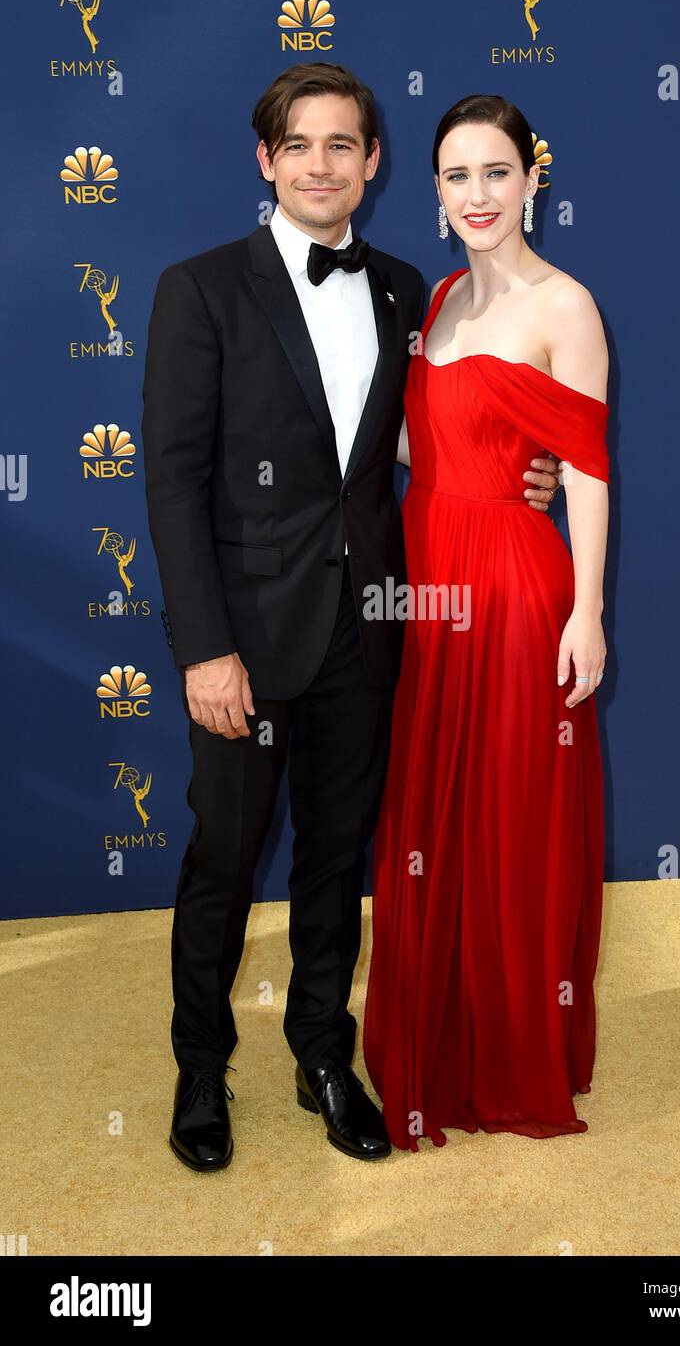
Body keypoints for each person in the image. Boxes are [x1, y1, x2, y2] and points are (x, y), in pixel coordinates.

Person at [140, 64, 558, 1170]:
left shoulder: (404, 288)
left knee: (336, 859)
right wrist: (204, 648)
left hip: (369, 630)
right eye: (301, 145)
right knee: (224, 859)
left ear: (374, 165)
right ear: (265, 159)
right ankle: (198, 1065)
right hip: (244, 637)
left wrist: (525, 477)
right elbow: (173, 483)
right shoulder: (200, 288)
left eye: (345, 145)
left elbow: (426, 443)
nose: (322, 165)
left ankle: (325, 1051)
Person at [362, 94, 611, 1151]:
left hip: (513, 588)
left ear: (532, 180)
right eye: (457, 176)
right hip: (429, 580)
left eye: (496, 172)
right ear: (433, 190)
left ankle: (510, 1055)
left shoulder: (567, 306)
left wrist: (587, 610)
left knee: (508, 812)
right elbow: (428, 443)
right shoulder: (443, 299)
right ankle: (441, 1040)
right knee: (433, 817)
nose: (477, 194)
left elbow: (591, 472)